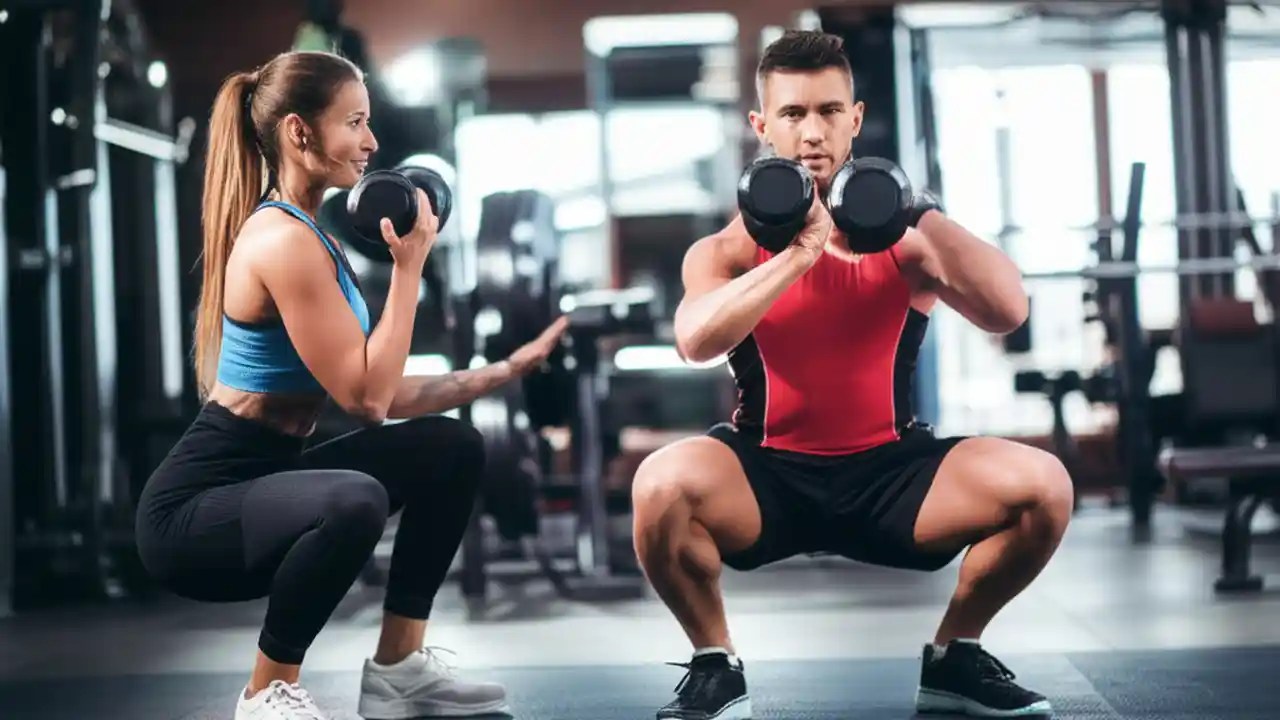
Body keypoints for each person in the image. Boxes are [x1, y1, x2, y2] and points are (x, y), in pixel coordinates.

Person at [630, 30, 1072, 720]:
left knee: (1044, 487)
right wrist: (799, 254)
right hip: (765, 475)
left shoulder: (910, 240)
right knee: (660, 485)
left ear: (857, 120)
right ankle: (716, 666)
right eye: (793, 114)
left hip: (892, 477)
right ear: (761, 127)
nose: (813, 132)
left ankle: (956, 658)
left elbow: (1008, 309)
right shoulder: (724, 250)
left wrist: (917, 207)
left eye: (830, 111)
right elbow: (695, 340)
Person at [134, 50, 567, 720]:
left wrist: (504, 371)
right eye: (355, 122)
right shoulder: (282, 241)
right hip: (195, 514)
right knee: (354, 498)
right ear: (299, 133)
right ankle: (265, 694)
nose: (371, 142)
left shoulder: (317, 235)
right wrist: (409, 270)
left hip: (264, 480)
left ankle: (399, 670)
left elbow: (388, 393)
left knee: (451, 449)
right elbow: (366, 405)